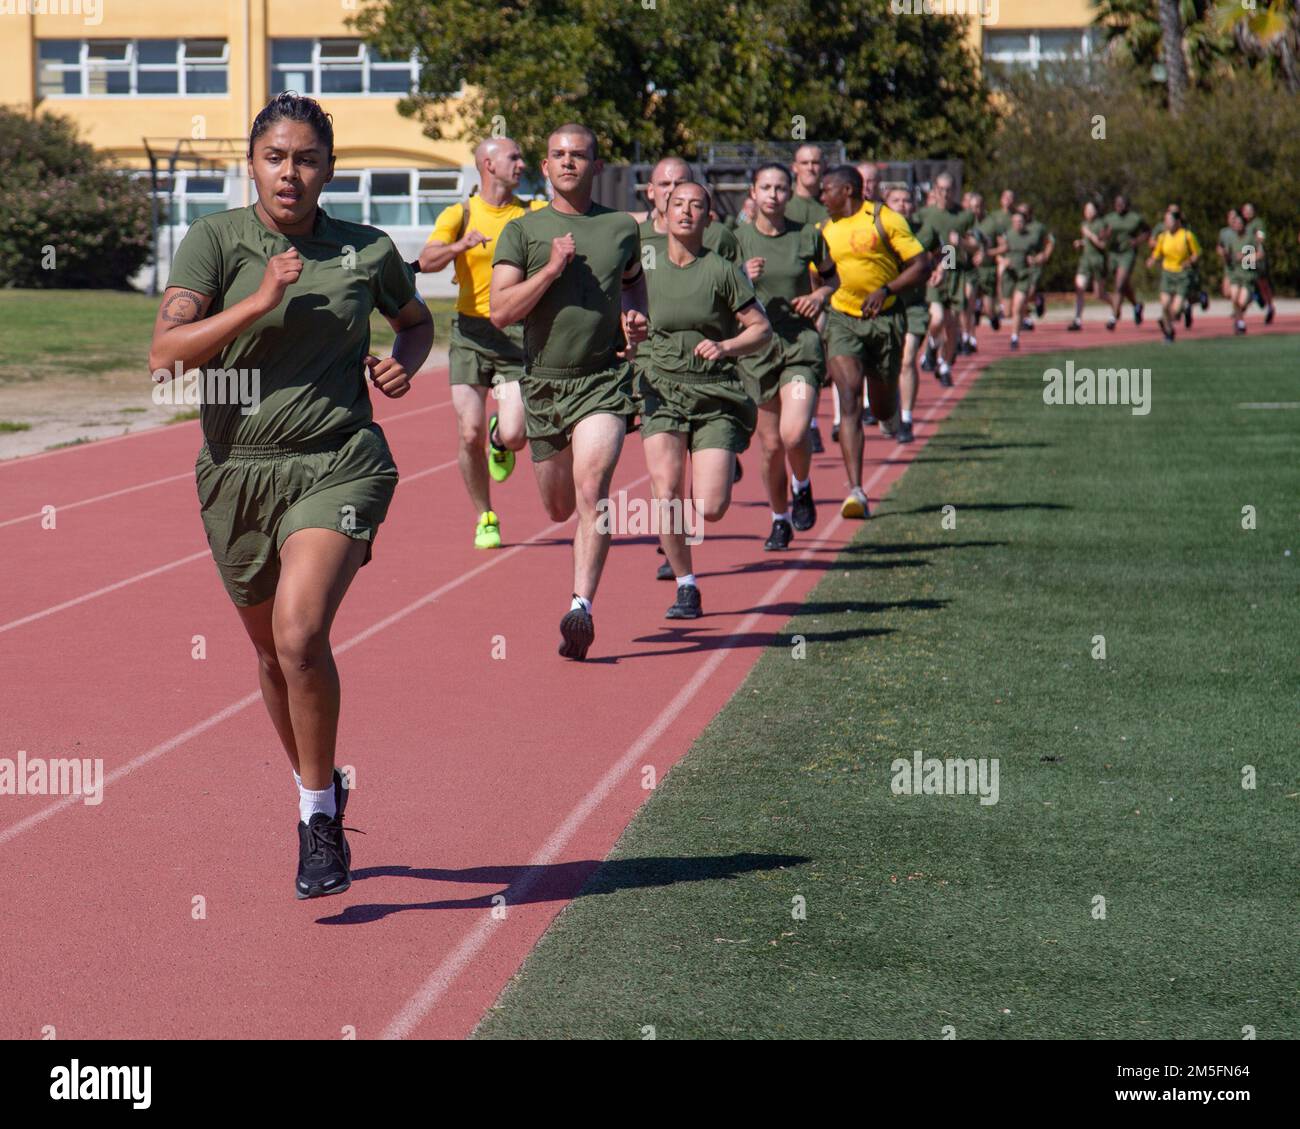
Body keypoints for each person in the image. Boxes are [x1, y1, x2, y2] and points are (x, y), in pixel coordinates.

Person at [148, 92, 434, 899]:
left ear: (329, 169)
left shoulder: (366, 249)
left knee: (302, 633)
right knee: (272, 653)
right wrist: (254, 304)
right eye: (276, 156)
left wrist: (402, 361)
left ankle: (316, 819)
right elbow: (165, 357)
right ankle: (323, 780)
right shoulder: (214, 241)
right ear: (252, 164)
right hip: (237, 471)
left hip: (339, 460)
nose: (291, 172)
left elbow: (413, 321)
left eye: (307, 158)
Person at [490, 123, 649, 660]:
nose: (568, 163)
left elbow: (633, 285)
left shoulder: (623, 228)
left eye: (579, 155)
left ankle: (580, 607)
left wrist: (635, 320)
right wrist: (552, 269)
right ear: (545, 166)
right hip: (542, 386)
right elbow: (501, 310)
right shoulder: (523, 231)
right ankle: (503, 431)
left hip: (603, 381)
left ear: (597, 166)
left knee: (592, 490)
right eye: (557, 155)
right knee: (558, 508)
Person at [638, 181, 772, 617]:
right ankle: (686, 585)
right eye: (679, 204)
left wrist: (727, 347)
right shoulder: (645, 263)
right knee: (667, 489)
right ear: (664, 209)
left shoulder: (721, 269)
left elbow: (761, 329)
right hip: (661, 387)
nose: (686, 212)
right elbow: (620, 307)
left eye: (697, 206)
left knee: (711, 508)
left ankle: (725, 452)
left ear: (708, 217)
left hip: (714, 391)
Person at [417, 137, 539, 549]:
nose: (522, 164)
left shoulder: (532, 213)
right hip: (470, 336)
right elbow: (425, 261)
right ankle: (485, 515)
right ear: (488, 164)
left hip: (516, 339)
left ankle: (501, 439)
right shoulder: (462, 213)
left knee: (517, 433)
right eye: (514, 157)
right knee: (467, 431)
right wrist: (459, 245)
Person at [734, 163, 836, 548]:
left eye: (780, 188)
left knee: (793, 434)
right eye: (766, 187)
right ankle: (779, 519)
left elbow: (833, 278)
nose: (773, 195)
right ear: (753, 192)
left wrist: (817, 297)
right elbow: (722, 293)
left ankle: (803, 485)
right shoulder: (736, 240)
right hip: (757, 350)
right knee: (771, 445)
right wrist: (742, 275)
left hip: (799, 345)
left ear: (789, 193)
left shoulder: (807, 236)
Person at [819, 165, 929, 518]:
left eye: (828, 190)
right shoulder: (822, 231)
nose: (822, 197)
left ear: (848, 190)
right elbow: (816, 275)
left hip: (885, 321)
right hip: (842, 319)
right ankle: (856, 491)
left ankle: (890, 411)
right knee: (849, 396)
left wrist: (886, 290)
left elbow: (921, 264)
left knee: (881, 406)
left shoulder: (885, 219)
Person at [913, 172, 977, 387]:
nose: (946, 193)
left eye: (950, 189)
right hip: (934, 273)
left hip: (956, 273)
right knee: (937, 318)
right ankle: (931, 345)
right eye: (942, 189)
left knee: (952, 326)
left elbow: (977, 246)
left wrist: (961, 243)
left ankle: (945, 366)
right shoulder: (924, 215)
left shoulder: (965, 216)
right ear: (935, 190)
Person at [883, 185, 927, 443]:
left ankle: (907, 419)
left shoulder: (924, 231)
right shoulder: (877, 233)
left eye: (906, 200)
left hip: (914, 306)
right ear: (886, 204)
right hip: (884, 307)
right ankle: (885, 410)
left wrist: (945, 269)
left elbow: (946, 251)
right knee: (886, 366)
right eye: (896, 200)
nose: (902, 204)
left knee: (908, 360)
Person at [987, 206, 1049, 351]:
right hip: (1010, 275)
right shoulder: (1007, 235)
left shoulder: (1031, 236)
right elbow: (999, 253)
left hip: (1024, 275)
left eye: (1020, 221)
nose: (1018, 223)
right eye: (1015, 221)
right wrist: (1002, 261)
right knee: (1007, 312)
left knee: (1018, 306)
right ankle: (1035, 301)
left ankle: (1014, 337)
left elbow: (1043, 250)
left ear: (1025, 222)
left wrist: (1038, 258)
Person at [1146, 205, 1201, 343]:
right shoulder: (1163, 237)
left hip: (1182, 274)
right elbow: (1157, 253)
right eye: (1165, 221)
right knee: (1165, 304)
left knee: (1175, 310)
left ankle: (1168, 321)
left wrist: (1189, 261)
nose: (1167, 223)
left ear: (1177, 222)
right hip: (1167, 274)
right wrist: (1152, 260)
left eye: (1169, 220)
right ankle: (1169, 332)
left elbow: (1197, 252)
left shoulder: (1186, 235)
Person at [1101, 194, 1148, 330]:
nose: (1119, 207)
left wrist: (1137, 241)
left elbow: (1147, 231)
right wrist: (1106, 235)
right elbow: (1101, 235)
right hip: (1113, 253)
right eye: (1117, 204)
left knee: (1119, 283)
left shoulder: (1135, 218)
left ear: (1127, 205)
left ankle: (1113, 317)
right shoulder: (1109, 218)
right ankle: (1136, 305)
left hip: (1127, 253)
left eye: (1121, 204)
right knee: (1124, 285)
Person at [1068, 200, 1110, 331]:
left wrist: (1090, 235)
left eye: (1091, 210)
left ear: (1096, 211)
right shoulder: (1084, 224)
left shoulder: (1102, 224)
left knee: (1099, 294)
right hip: (1085, 261)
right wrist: (1081, 242)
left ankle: (1115, 306)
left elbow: (1102, 245)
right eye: (1086, 210)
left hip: (1098, 261)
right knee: (1079, 287)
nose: (1088, 213)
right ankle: (1077, 319)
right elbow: (1087, 241)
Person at [1240, 202, 1276, 324]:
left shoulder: (1257, 223)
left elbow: (1261, 237)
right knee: (1247, 280)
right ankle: (1244, 307)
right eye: (1245, 210)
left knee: (1262, 281)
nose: (1247, 213)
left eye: (1249, 210)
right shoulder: (1243, 224)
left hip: (1255, 254)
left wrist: (1258, 249)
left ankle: (1269, 306)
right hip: (1246, 253)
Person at [1221, 209, 1253, 335]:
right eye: (1236, 223)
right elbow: (1226, 254)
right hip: (1235, 273)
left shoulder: (1250, 238)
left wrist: (1245, 257)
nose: (1238, 225)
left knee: (1241, 302)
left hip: (1246, 274)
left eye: (1240, 223)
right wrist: (1224, 254)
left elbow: (1258, 256)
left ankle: (1252, 296)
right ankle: (1240, 323)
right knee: (1234, 298)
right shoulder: (1230, 238)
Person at [787, 144, 830, 228]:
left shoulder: (833, 201)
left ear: (824, 166)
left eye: (815, 163)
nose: (810, 168)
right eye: (804, 163)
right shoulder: (782, 198)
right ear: (794, 167)